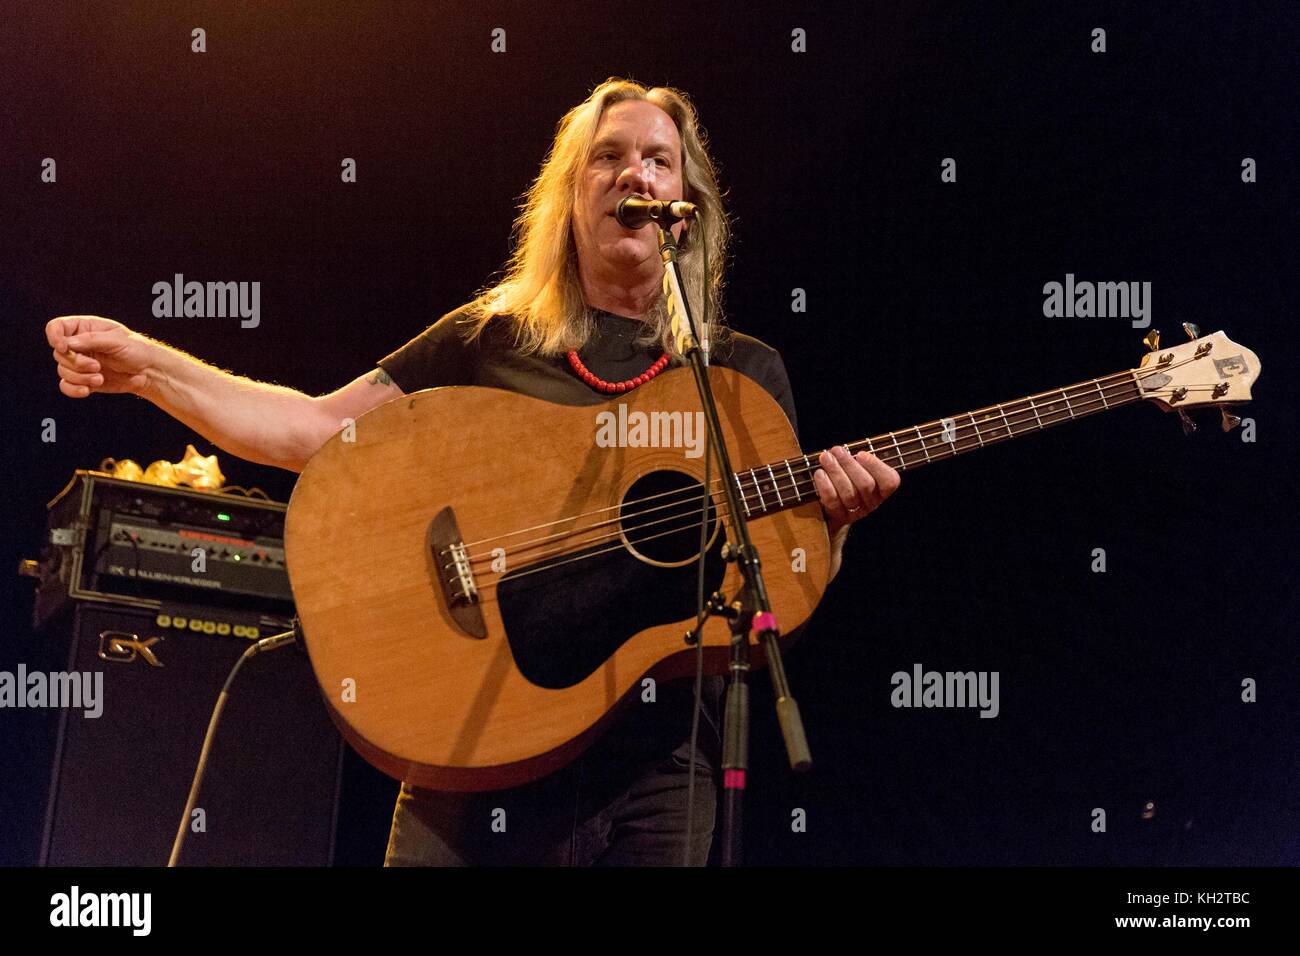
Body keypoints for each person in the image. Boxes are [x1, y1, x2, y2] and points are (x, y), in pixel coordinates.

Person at [44, 78, 899, 866]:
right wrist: (148, 367)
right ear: (570, 195)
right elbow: (315, 431)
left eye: (656, 159)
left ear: (688, 206)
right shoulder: (489, 339)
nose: (632, 172)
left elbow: (774, 580)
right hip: (476, 747)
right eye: (606, 156)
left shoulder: (741, 377)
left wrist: (832, 526)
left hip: (661, 774)